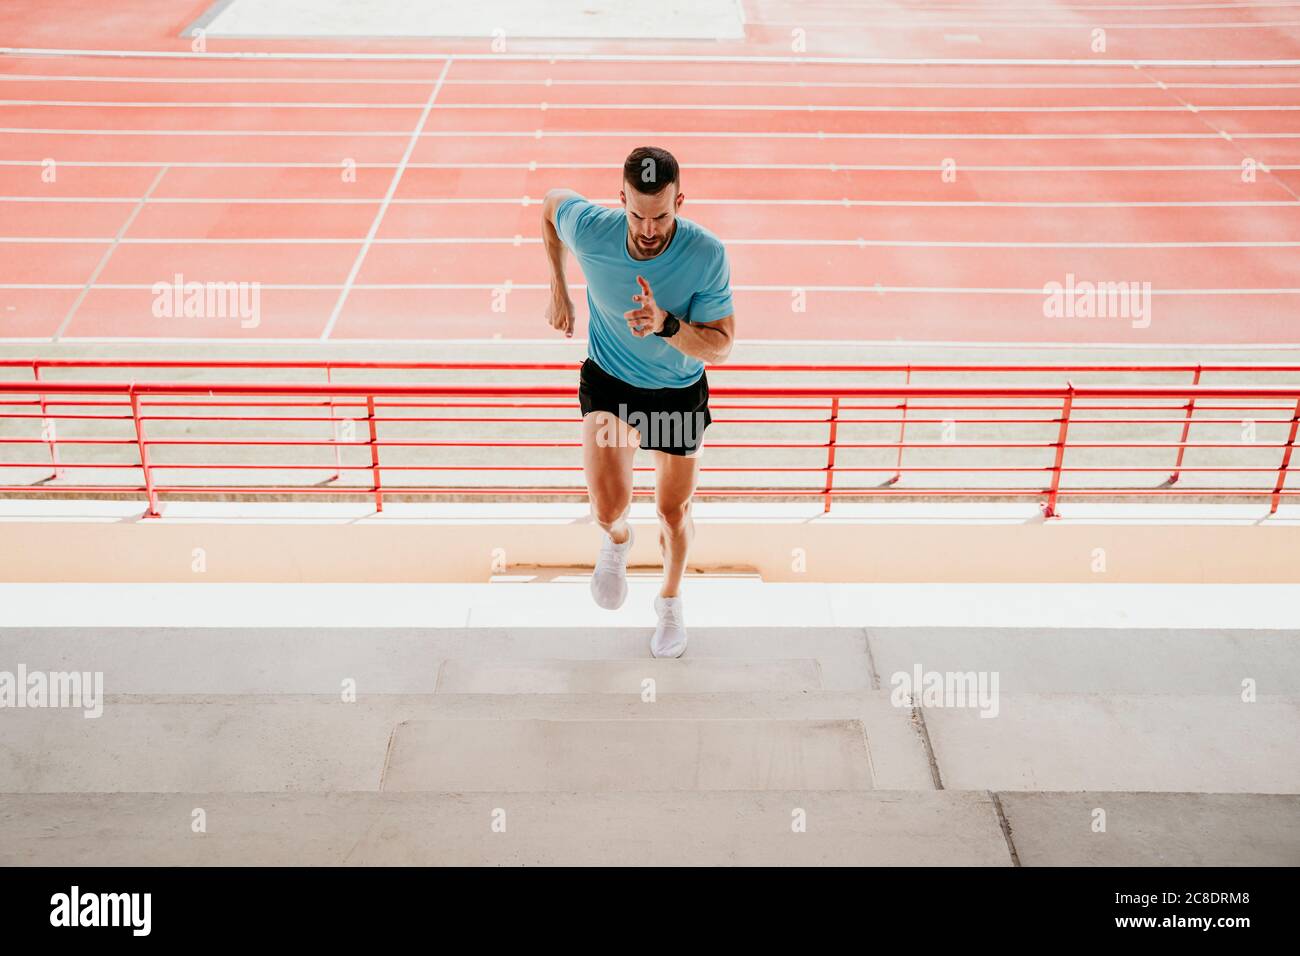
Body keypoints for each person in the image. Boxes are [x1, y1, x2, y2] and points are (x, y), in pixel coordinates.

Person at [541, 146, 736, 658]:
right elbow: (549, 204)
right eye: (637, 215)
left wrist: (667, 325)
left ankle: (670, 603)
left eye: (663, 216)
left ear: (681, 203)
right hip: (611, 384)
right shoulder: (589, 228)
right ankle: (619, 539)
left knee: (672, 513)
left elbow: (721, 346)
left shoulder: (707, 255)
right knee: (608, 508)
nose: (649, 230)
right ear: (620, 199)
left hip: (675, 394)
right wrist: (558, 287)